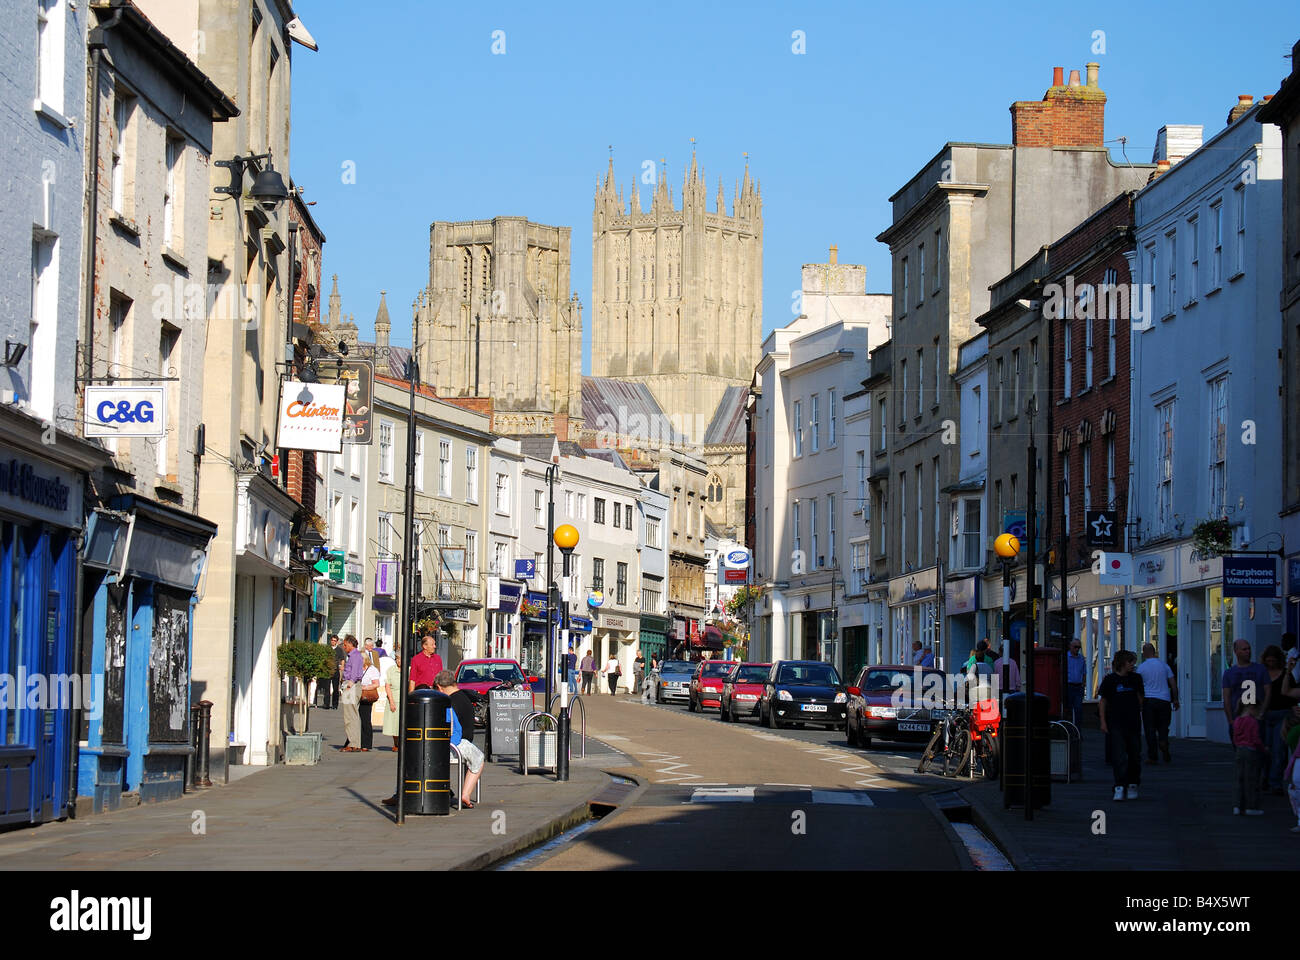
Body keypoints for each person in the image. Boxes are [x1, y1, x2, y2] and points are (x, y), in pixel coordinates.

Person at [1098, 649, 1143, 802]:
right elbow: (1103, 701)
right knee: (1118, 756)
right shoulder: (1110, 680)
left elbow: (1140, 698)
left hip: (1133, 723)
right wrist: (1103, 722)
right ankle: (1119, 785)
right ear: (1122, 663)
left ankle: (1132, 784)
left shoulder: (1136, 679)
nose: (1133, 665)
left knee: (1135, 755)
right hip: (1116, 723)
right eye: (1130, 662)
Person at [435, 670, 484, 809]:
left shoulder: (448, 702)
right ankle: (466, 794)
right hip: (462, 743)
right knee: (479, 759)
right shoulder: (464, 698)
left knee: (477, 757)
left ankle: (450, 790)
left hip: (453, 745)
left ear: (439, 687)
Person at [1136, 642, 1178, 763]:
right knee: (1163, 726)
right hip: (1164, 700)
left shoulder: (1141, 668)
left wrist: (1140, 702)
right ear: (1154, 652)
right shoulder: (1164, 666)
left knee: (1150, 729)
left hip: (1149, 700)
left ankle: (1152, 756)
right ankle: (1163, 741)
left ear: (1144, 653)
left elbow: (1138, 687)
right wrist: (1175, 699)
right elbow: (1173, 684)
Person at [1221, 639, 1271, 735]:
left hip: (1256, 716)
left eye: (1249, 649)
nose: (1248, 652)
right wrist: (1230, 720)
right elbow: (1226, 697)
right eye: (1244, 649)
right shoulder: (1229, 673)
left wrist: (1262, 712)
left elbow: (1268, 691)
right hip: (1238, 717)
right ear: (1236, 652)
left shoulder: (1260, 669)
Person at [1261, 645, 1292, 793]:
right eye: (1268, 661)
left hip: (1281, 713)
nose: (1271, 664)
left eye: (1273, 661)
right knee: (1265, 749)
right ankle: (1265, 779)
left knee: (1279, 749)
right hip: (1266, 714)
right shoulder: (1262, 673)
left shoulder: (1286, 674)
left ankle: (1275, 782)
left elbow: (1290, 692)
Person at [1231, 702, 1266, 816]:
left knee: (1239, 778)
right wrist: (1263, 749)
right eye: (1257, 710)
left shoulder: (1237, 721)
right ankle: (1251, 806)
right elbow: (1255, 739)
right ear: (1251, 708)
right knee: (1251, 779)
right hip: (1251, 751)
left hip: (1240, 750)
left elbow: (1235, 737)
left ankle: (1238, 805)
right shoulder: (1252, 722)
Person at [339, 636, 364, 751]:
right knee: (353, 715)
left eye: (345, 645)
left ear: (350, 644)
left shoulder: (355, 655)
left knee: (350, 716)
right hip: (352, 685)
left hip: (351, 685)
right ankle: (354, 742)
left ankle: (353, 743)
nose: (344, 647)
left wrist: (350, 682)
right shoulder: (354, 655)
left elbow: (354, 671)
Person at [358, 649, 381, 751]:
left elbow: (376, 684)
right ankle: (357, 742)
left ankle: (366, 744)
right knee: (357, 719)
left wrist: (365, 687)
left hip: (367, 697)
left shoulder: (372, 670)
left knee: (365, 719)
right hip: (357, 696)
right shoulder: (358, 668)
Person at [380, 649, 401, 752]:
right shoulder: (391, 670)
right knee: (393, 724)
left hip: (403, 700)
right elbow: (387, 686)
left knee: (401, 724)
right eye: (397, 659)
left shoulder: (409, 670)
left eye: (400, 659)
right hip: (393, 699)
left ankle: (401, 743)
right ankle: (396, 743)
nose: (398, 661)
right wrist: (391, 701)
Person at [1066, 638, 1087, 729]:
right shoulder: (1066, 657)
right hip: (1069, 686)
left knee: (1079, 710)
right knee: (1069, 710)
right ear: (1070, 646)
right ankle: (1069, 730)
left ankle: (1078, 731)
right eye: (1075, 647)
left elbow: (1084, 672)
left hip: (1078, 687)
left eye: (1079, 647)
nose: (1077, 649)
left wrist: (1083, 684)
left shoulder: (1081, 658)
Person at [329, 634, 346, 709]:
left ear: (337, 642)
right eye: (332, 640)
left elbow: (342, 659)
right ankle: (326, 704)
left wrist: (342, 666)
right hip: (328, 670)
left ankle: (335, 705)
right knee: (327, 688)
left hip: (336, 670)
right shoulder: (327, 648)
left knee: (335, 688)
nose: (333, 642)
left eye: (335, 641)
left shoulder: (339, 650)